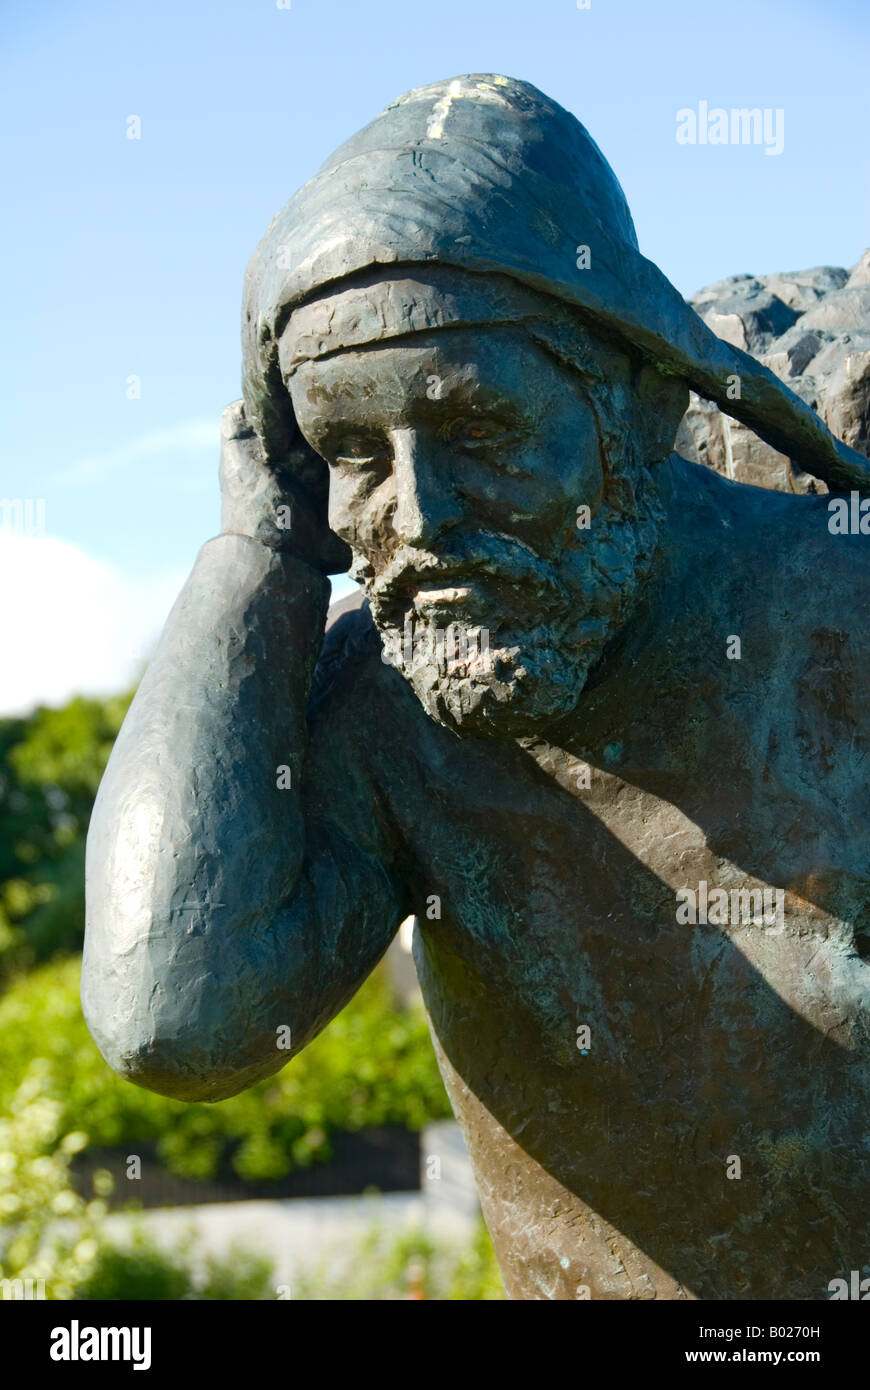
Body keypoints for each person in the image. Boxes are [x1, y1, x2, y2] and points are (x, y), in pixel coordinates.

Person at [83, 74, 870, 1300]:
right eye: (352, 454)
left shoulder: (840, 621)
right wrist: (263, 555)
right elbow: (174, 1017)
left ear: (633, 401)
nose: (423, 515)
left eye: (481, 432)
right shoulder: (390, 696)